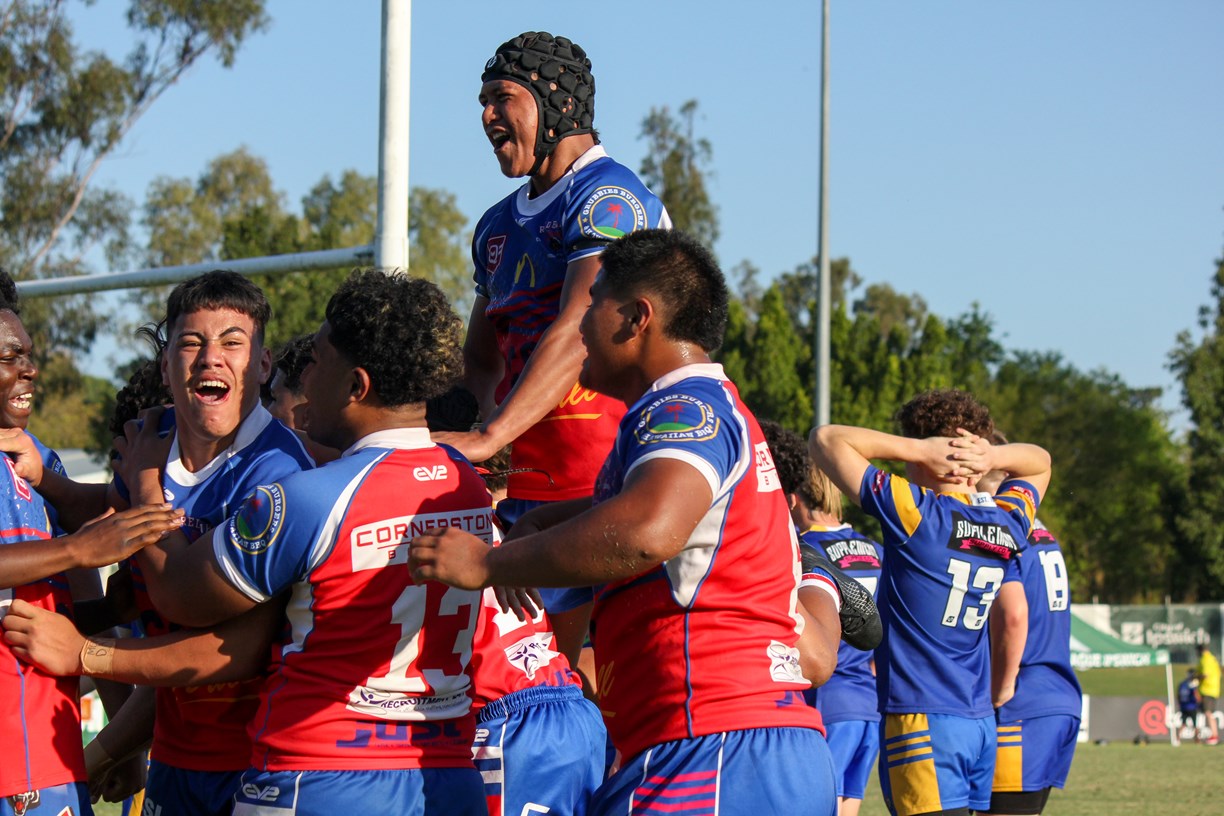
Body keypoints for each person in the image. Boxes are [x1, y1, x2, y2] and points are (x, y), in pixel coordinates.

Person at [412, 229, 849, 816]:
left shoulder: (683, 408)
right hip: (742, 743)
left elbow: (648, 530)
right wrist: (551, 519)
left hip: (710, 745)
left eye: (593, 305)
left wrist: (488, 563)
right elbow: (661, 518)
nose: (579, 326)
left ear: (637, 318)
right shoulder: (713, 411)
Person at [117, 270, 490, 815]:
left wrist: (144, 480)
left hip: (321, 775)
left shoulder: (307, 496)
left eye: (315, 361)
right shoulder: (464, 484)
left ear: (356, 386)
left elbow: (178, 594)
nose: (303, 378)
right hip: (444, 772)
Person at [0, 270, 315, 816]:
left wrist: (83, 651)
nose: (210, 358)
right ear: (166, 366)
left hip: (264, 764)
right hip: (175, 758)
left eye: (232, 343)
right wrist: (51, 481)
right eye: (191, 342)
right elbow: (104, 522)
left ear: (262, 365)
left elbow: (229, 643)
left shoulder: (280, 472)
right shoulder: (152, 438)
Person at [435, 31, 671, 665]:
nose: (487, 115)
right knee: (530, 681)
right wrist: (481, 443)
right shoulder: (494, 225)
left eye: (501, 98)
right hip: (524, 500)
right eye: (482, 102)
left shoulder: (609, 196)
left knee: (603, 680)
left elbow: (577, 329)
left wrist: (491, 435)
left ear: (558, 104)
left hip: (607, 490)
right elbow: (482, 358)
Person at [809, 390, 1051, 816]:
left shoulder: (917, 512)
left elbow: (825, 439)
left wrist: (920, 449)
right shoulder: (1006, 519)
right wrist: (991, 456)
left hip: (920, 714)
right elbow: (1041, 462)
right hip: (977, 721)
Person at [0, 272, 183, 816]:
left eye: (30, 354)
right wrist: (78, 549)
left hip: (46, 749)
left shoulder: (34, 461)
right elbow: (79, 553)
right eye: (10, 356)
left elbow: (68, 603)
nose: (30, 369)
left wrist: (109, 611)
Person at [761, 420, 884, 816]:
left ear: (793, 497)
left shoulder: (805, 549)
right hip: (867, 699)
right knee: (848, 806)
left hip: (826, 697)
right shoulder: (873, 548)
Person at [1195, 643, 1220, 745]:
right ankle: (1214, 735)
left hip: (1207, 690)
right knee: (1208, 713)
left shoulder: (1205, 659)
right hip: (1214, 689)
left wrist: (1196, 678)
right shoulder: (1213, 658)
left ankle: (1214, 736)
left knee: (1208, 713)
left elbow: (1205, 675)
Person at [1178, 668, 1202, 742]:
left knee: (1183, 723)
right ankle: (1197, 740)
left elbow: (1178, 696)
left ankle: (1177, 739)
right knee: (1195, 724)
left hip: (1184, 707)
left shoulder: (1182, 684)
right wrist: (1199, 701)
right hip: (1192, 707)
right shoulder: (1192, 684)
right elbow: (1196, 695)